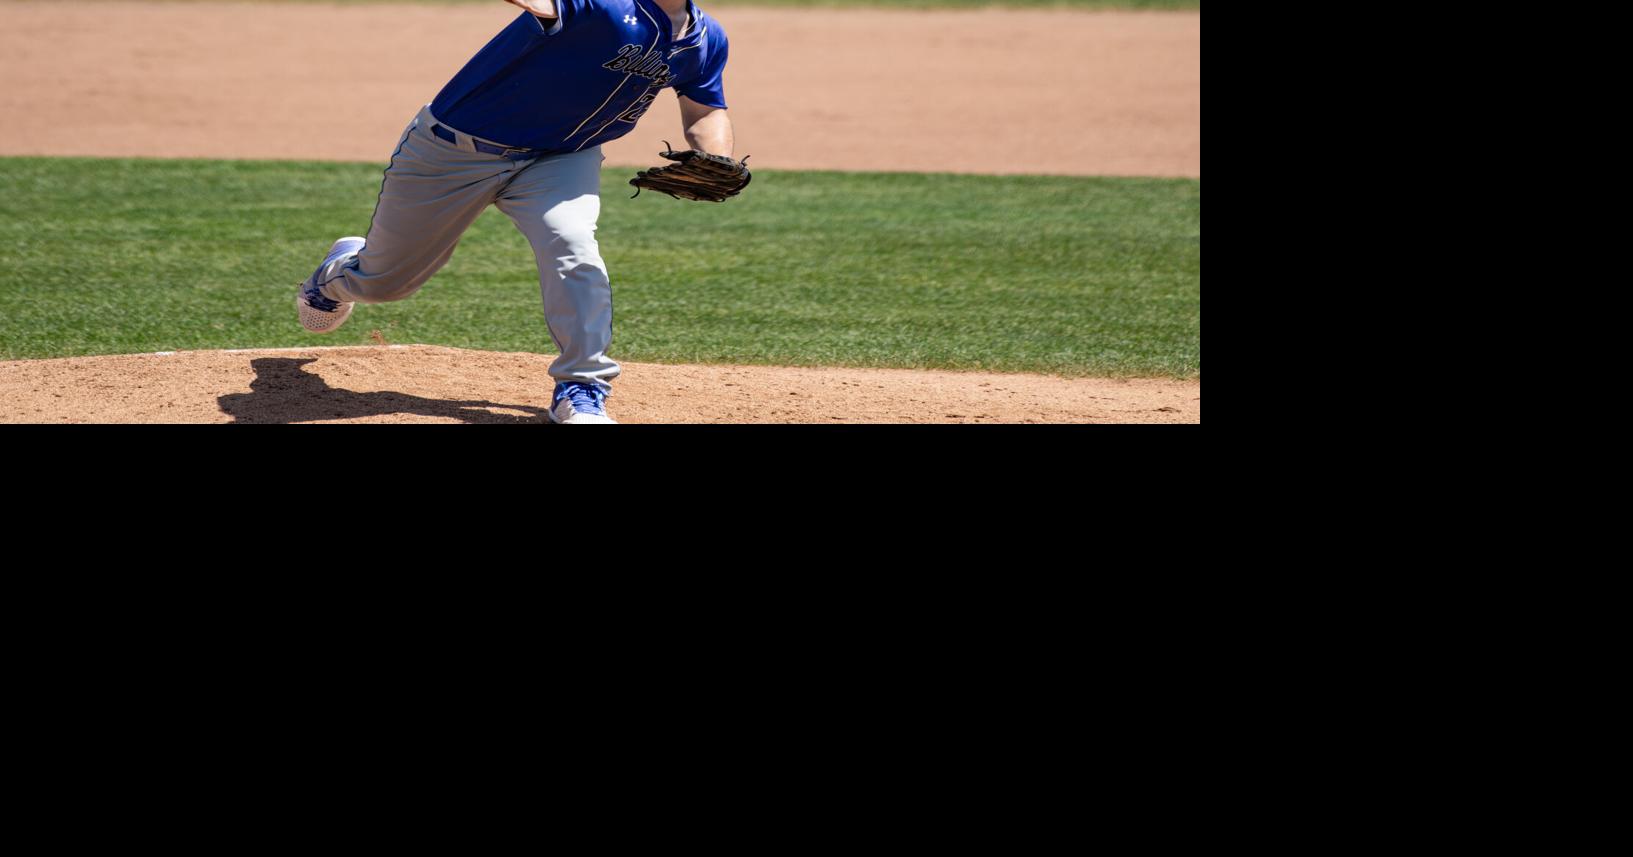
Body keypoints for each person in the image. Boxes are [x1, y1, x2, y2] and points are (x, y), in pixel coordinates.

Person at [295, 0, 740, 424]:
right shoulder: (600, 4)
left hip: (562, 157)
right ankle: (336, 276)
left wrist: (718, 158)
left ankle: (581, 387)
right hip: (453, 153)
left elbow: (705, 109)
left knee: (573, 247)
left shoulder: (705, 38)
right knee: (385, 283)